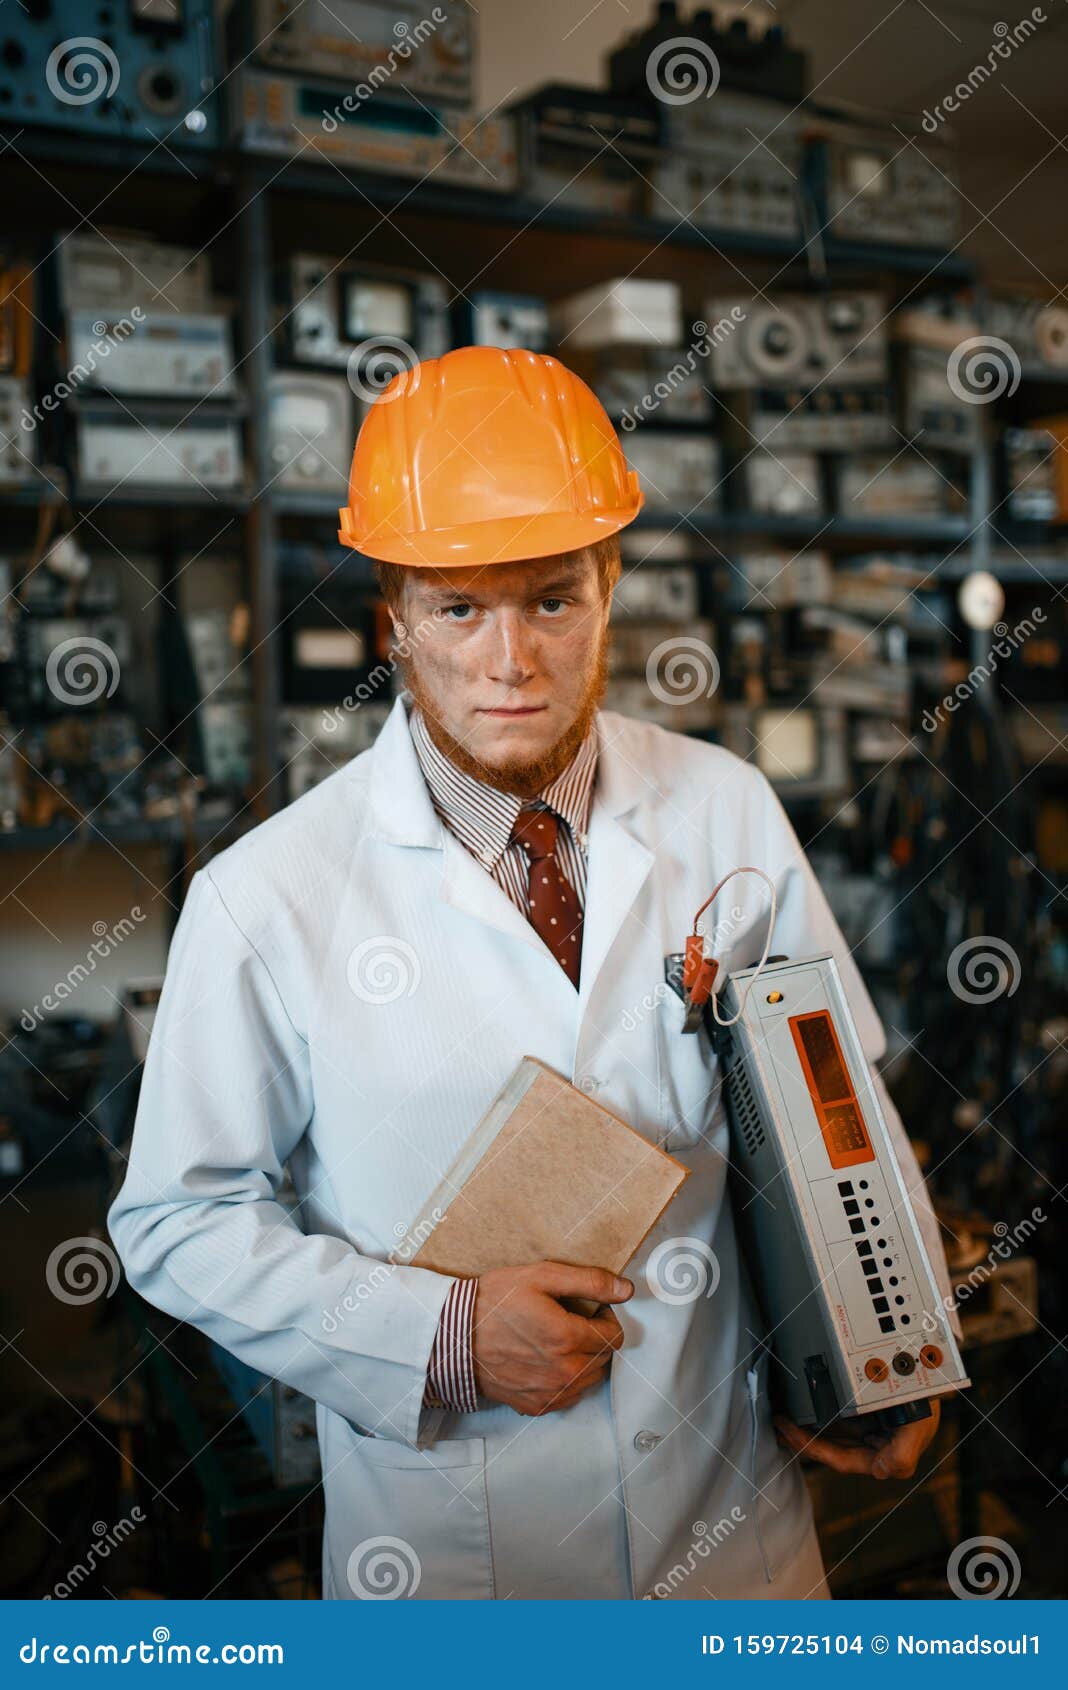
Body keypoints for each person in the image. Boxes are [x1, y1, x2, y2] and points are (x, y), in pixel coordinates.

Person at [109, 346, 956, 1601]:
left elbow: (847, 1117)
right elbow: (176, 1221)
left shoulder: (722, 809)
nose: (510, 660)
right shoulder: (266, 894)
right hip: (461, 1563)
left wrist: (892, 1343)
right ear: (393, 616)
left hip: (736, 1541)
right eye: (460, 608)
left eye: (551, 600)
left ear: (610, 589)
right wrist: (440, 1338)